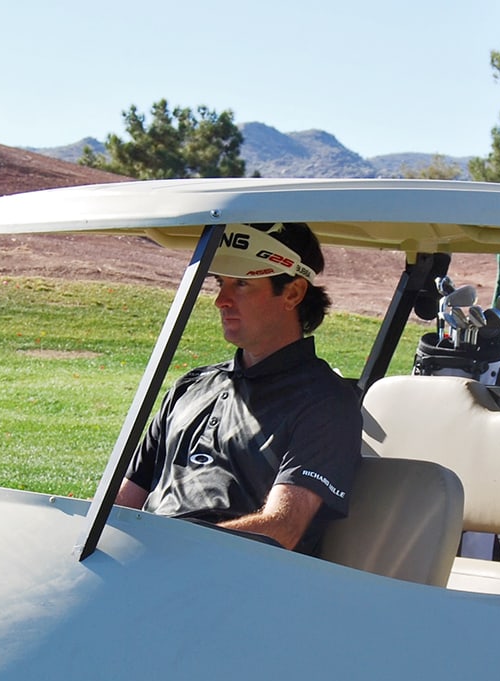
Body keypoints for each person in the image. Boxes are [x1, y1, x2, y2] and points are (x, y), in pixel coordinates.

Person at [117, 222, 361, 554]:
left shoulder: (327, 403)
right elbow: (123, 503)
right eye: (221, 283)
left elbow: (281, 528)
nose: (221, 300)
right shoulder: (190, 386)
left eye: (242, 284)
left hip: (234, 585)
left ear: (293, 293)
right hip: (150, 565)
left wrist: (167, 547)